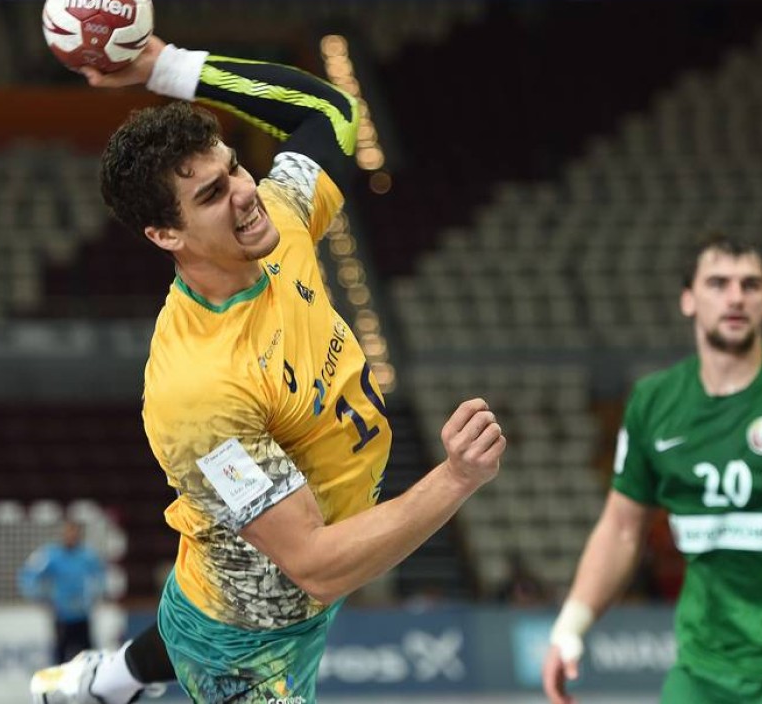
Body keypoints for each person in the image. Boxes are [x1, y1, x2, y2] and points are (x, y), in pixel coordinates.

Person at [30, 35, 506, 703]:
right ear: (166, 235)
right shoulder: (198, 391)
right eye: (210, 195)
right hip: (247, 640)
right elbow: (313, 565)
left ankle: (105, 682)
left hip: (295, 555)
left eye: (234, 170)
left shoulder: (276, 217)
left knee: (190, 611)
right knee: (206, 620)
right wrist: (455, 477)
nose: (244, 196)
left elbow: (330, 113)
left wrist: (168, 67)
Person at [542, 232, 762, 704]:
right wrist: (569, 627)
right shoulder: (653, 402)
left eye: (750, 285)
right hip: (704, 670)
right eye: (718, 283)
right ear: (688, 299)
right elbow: (621, 528)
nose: (736, 296)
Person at [19, 520, 106, 664]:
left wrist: (96, 596)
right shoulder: (51, 555)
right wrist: (39, 596)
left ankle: (90, 685)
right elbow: (29, 574)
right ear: (63, 535)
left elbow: (101, 576)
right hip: (62, 615)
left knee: (89, 657)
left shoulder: (87, 555)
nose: (71, 536)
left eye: (74, 532)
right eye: (68, 533)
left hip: (83, 614)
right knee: (60, 656)